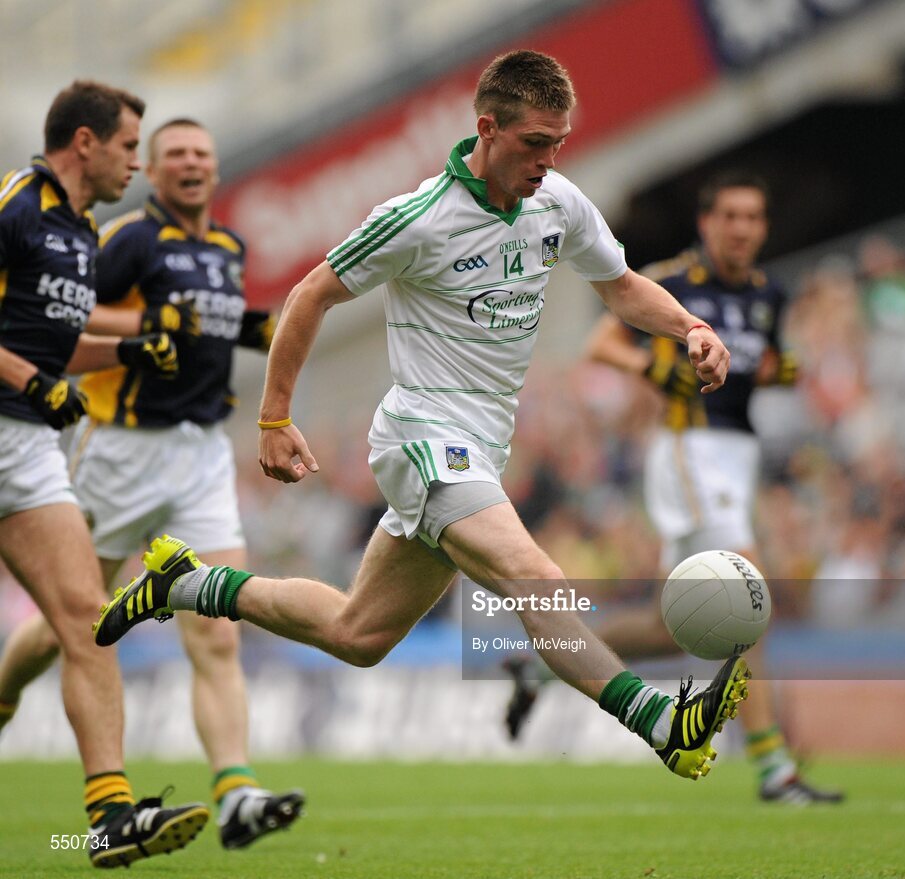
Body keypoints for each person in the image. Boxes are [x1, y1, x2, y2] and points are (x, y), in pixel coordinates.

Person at [93, 50, 751, 785]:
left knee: (358, 631)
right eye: (535, 142)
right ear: (487, 128)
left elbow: (622, 285)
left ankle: (182, 583)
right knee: (534, 572)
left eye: (557, 143)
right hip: (423, 438)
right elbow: (311, 294)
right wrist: (273, 417)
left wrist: (690, 326)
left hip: (480, 448)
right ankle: (664, 723)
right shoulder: (418, 217)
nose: (547, 158)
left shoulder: (557, 202)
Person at [0, 118, 304, 849]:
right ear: (157, 174)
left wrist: (270, 329)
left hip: (201, 450)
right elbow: (64, 312)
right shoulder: (129, 238)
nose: (188, 164)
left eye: (201, 152)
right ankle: (6, 689)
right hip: (120, 449)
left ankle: (235, 789)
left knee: (219, 629)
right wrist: (143, 321)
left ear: (217, 167)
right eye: (171, 156)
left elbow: (212, 324)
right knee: (80, 615)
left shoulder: (227, 247)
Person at [504, 171, 844, 804]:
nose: (741, 229)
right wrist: (653, 364)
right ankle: (774, 767)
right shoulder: (677, 281)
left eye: (753, 218)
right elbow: (600, 342)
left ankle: (547, 658)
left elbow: (766, 366)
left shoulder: (770, 295)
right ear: (707, 223)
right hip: (691, 449)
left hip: (735, 459)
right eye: (730, 216)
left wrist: (784, 368)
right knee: (750, 596)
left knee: (673, 627)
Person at [0, 80, 208, 868]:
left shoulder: (85, 231)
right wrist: (29, 379)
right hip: (14, 416)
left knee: (89, 616)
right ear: (83, 142)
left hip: (24, 448)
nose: (138, 163)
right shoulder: (18, 203)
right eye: (128, 146)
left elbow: (49, 349)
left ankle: (110, 818)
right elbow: (30, 366)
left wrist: (121, 350)